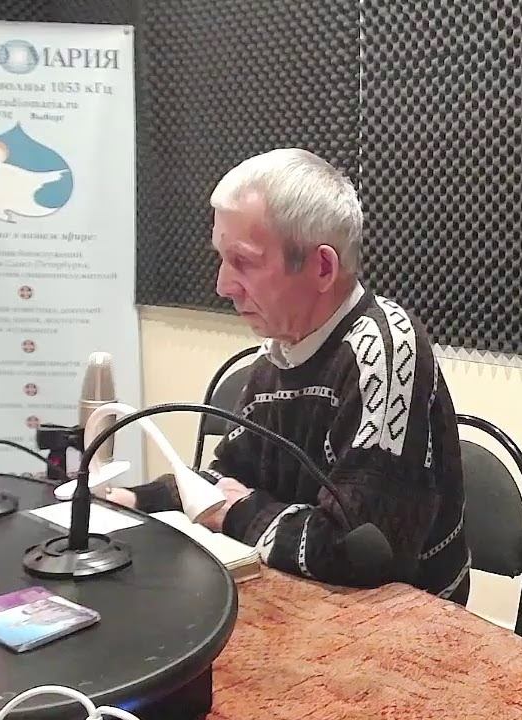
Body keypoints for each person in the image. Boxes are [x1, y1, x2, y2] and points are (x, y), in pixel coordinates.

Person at [110, 148, 471, 604]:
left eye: (243, 261)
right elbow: (229, 478)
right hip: (302, 590)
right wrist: (137, 500)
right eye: (221, 258)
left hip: (401, 617)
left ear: (322, 267)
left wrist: (237, 514)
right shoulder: (279, 351)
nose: (222, 285)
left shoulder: (386, 351)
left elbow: (360, 552)